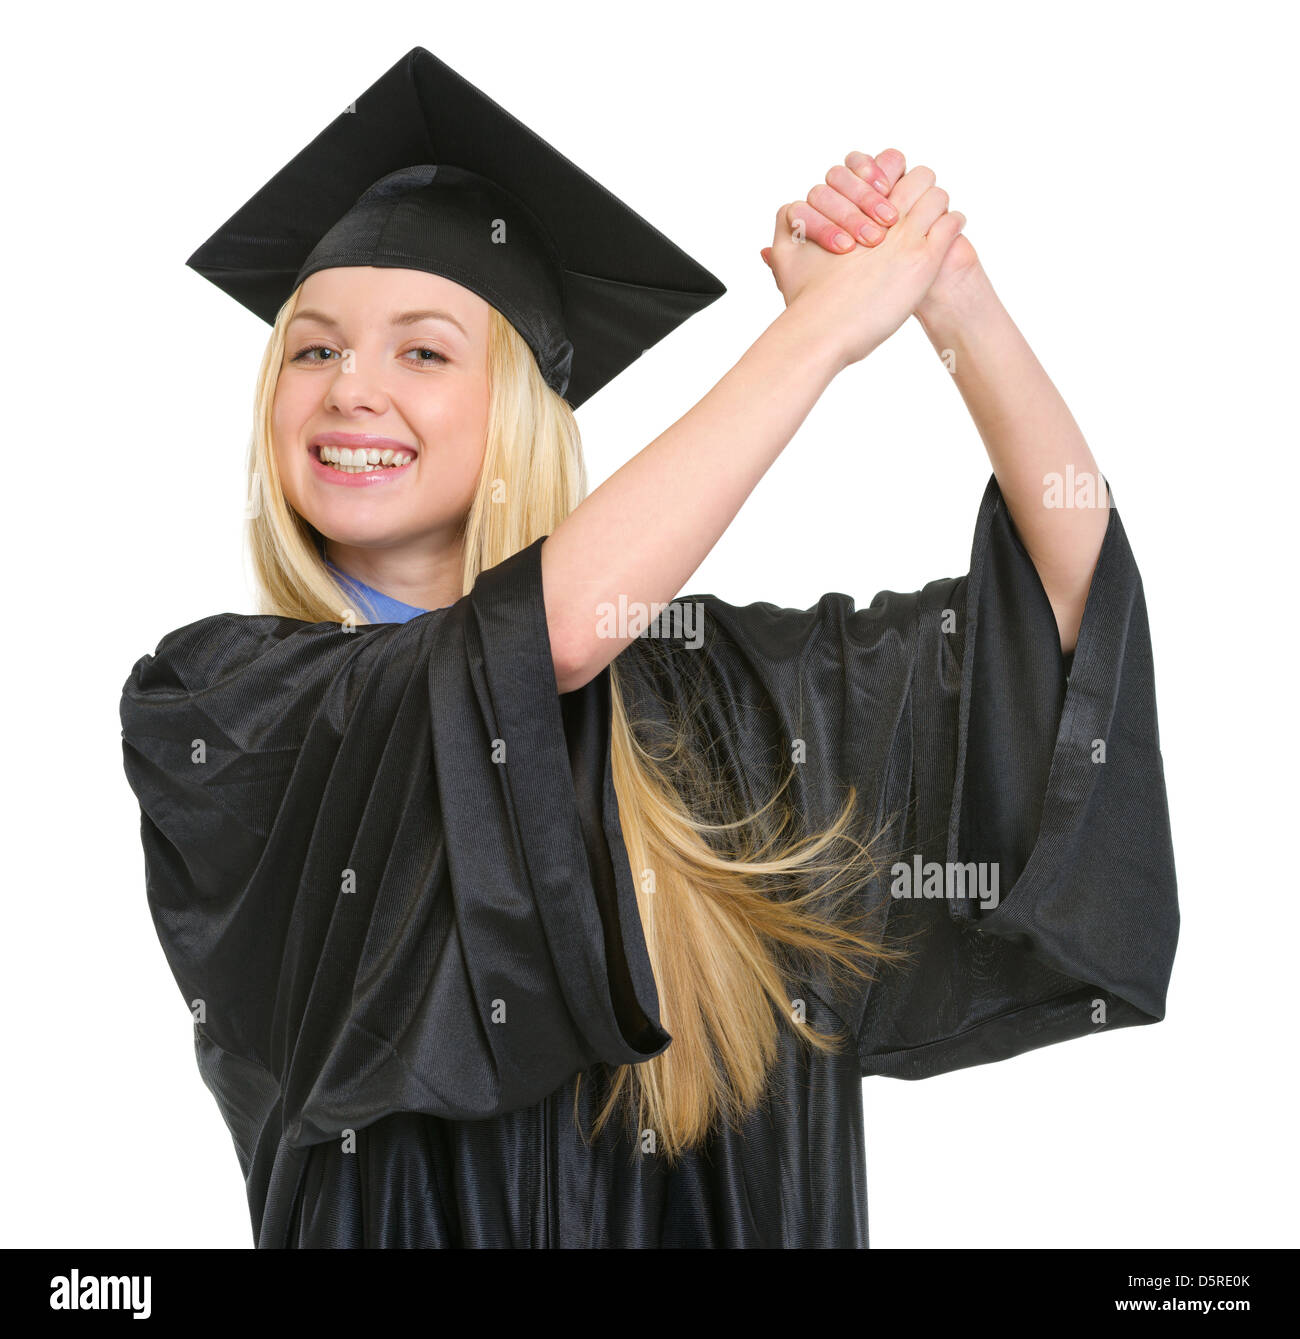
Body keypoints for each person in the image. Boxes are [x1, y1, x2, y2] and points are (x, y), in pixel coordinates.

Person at [119, 47, 1178, 1248]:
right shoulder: (223, 710)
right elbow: (538, 646)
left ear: (516, 404)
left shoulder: (720, 703)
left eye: (421, 350)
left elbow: (1066, 608)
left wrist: (953, 302)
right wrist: (824, 330)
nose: (350, 387)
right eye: (313, 349)